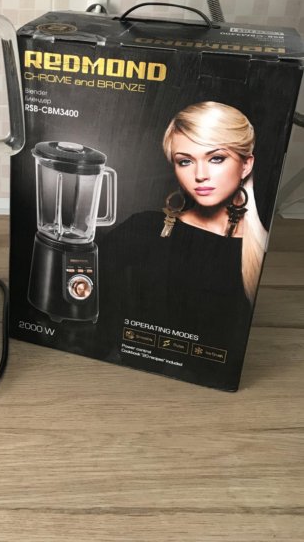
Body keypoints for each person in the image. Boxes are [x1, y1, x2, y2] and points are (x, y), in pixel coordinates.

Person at [101, 101, 268, 389]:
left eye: (216, 158)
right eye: (185, 161)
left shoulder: (259, 249)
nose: (200, 174)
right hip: (128, 381)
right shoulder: (145, 228)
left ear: (246, 164)